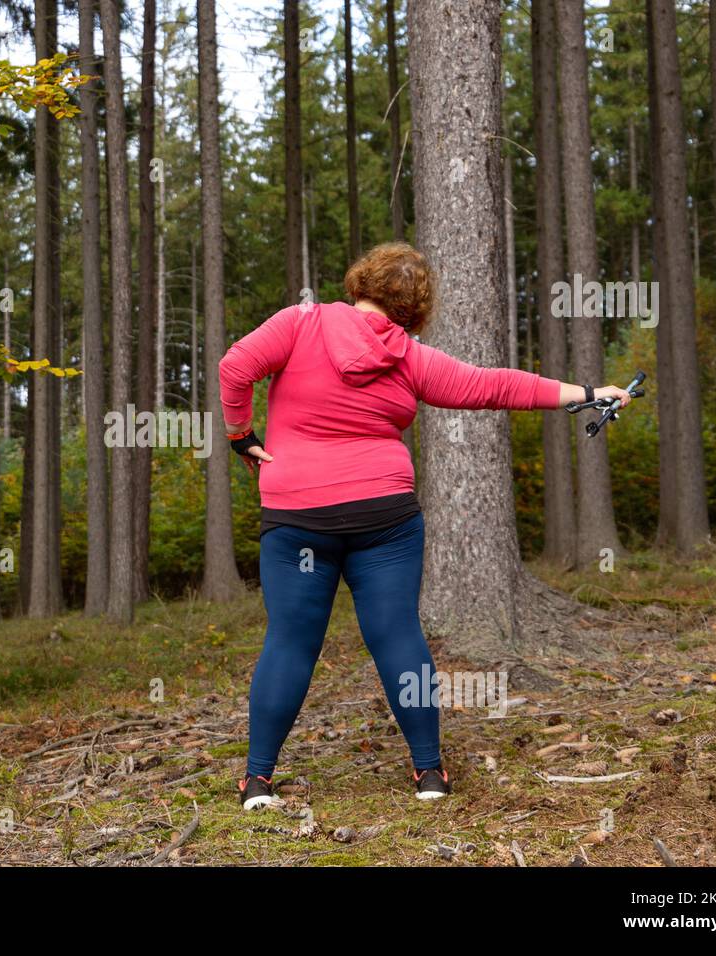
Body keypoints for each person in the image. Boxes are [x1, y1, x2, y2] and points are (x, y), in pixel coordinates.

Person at [218, 242, 633, 808]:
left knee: (290, 642)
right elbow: (495, 386)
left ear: (359, 282)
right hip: (382, 516)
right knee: (397, 635)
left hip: (298, 517)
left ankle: (258, 780)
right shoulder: (409, 356)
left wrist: (241, 435)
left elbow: (234, 366)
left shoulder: (301, 321)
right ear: (415, 309)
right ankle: (429, 774)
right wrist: (587, 393)